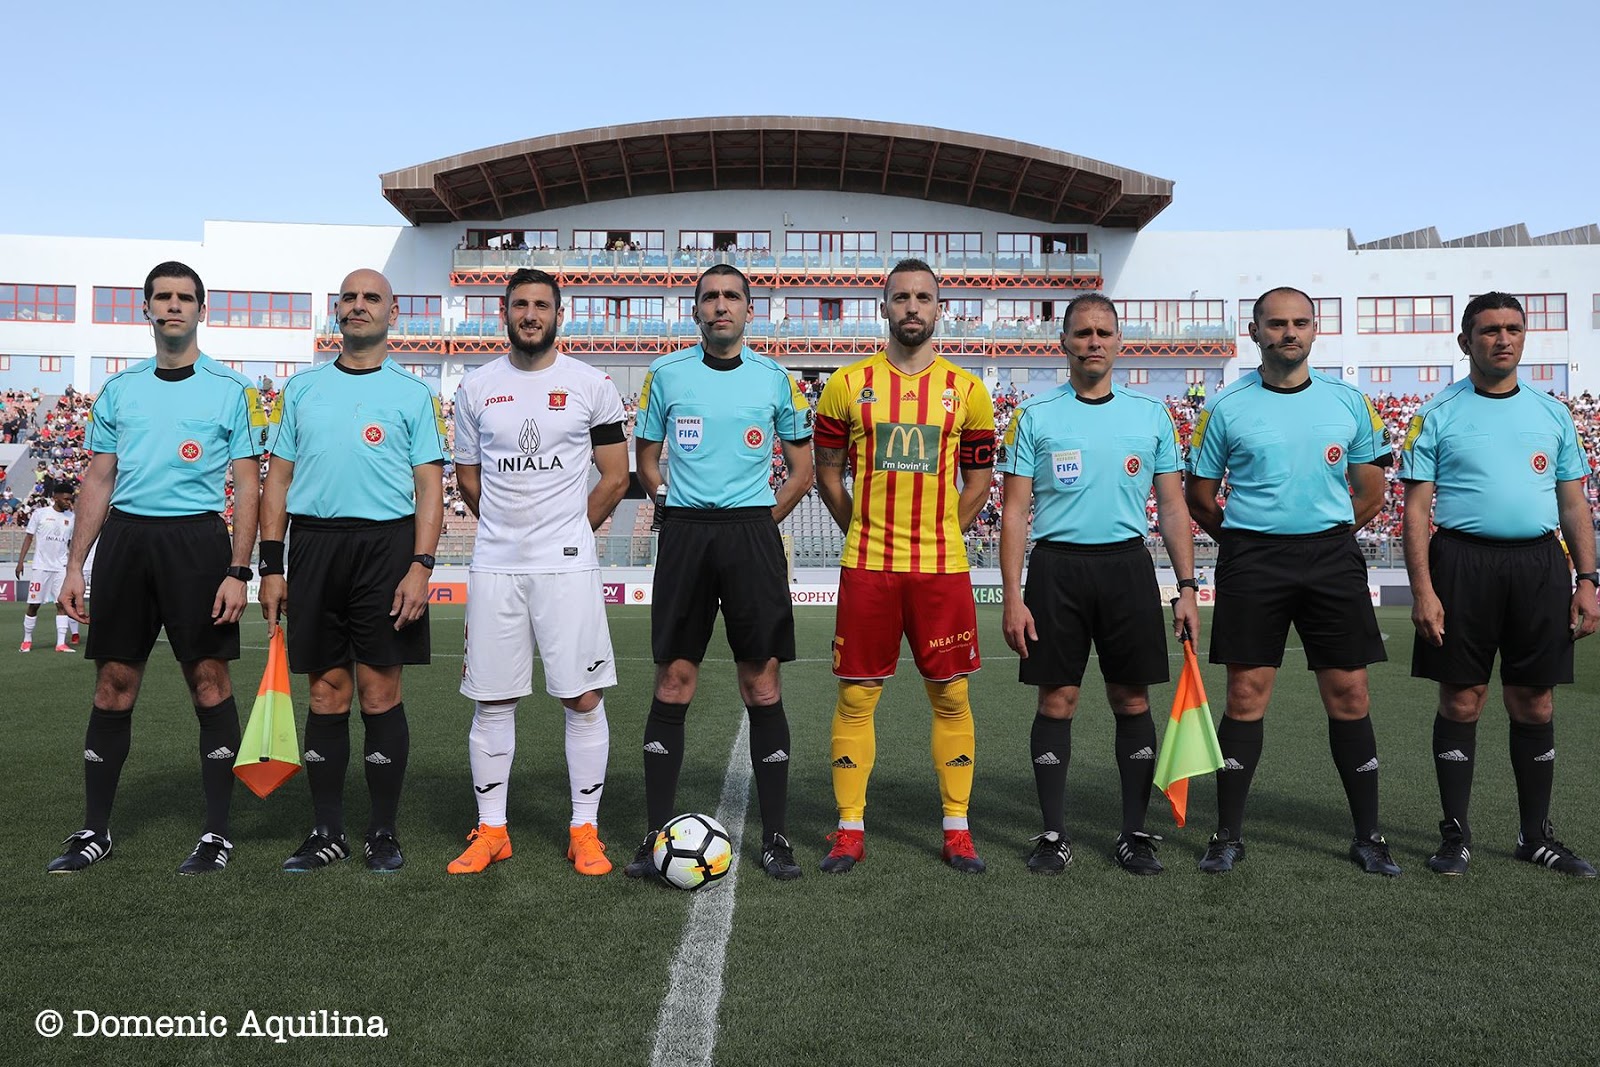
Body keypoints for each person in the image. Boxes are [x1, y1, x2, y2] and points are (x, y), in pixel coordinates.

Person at [46, 260, 264, 875]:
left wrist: (238, 569)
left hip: (197, 545)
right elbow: (98, 479)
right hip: (126, 541)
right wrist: (73, 567)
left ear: (201, 309)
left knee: (210, 684)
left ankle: (217, 834)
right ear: (146, 309)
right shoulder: (119, 390)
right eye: (162, 297)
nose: (173, 306)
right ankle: (95, 830)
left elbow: (246, 487)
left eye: (184, 297)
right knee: (114, 683)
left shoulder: (232, 389)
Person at [1185, 286, 1399, 876]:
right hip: (1252, 559)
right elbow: (1200, 497)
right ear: (1254, 331)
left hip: (1330, 557)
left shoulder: (1349, 402)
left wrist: (1322, 534)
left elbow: (1372, 491)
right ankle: (1227, 835)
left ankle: (1369, 837)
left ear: (1314, 330)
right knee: (1246, 696)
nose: (1289, 332)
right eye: (1276, 323)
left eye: (1299, 322)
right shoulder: (1225, 407)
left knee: (1350, 693)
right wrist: (1252, 543)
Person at [997, 294, 1201, 875]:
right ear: (1063, 342)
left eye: (1103, 332)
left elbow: (1170, 504)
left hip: (1128, 569)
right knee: (1056, 699)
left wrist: (1186, 586)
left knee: (1131, 699)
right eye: (1082, 332)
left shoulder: (1151, 414)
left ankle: (1134, 833)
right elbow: (1015, 511)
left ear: (1119, 341)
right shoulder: (1036, 415)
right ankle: (1053, 834)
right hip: (1056, 569)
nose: (1093, 341)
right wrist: (1013, 595)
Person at [625, 264, 814, 882]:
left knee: (761, 683)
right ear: (696, 309)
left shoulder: (777, 379)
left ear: (749, 310)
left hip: (749, 536)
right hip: (685, 536)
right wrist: (666, 502)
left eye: (732, 297)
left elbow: (803, 469)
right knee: (675, 677)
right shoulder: (666, 374)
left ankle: (778, 837)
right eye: (710, 297)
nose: (721, 306)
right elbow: (646, 457)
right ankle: (654, 836)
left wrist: (764, 521)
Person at [1402, 292, 1598, 877]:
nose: (1503, 339)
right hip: (1461, 564)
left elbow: (1573, 503)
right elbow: (1416, 511)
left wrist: (1587, 579)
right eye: (1489, 331)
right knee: (1463, 699)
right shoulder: (1436, 413)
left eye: (1513, 329)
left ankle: (1534, 835)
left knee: (1534, 702)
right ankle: (1454, 835)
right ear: (1466, 342)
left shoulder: (1552, 412)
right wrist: (1423, 590)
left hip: (1539, 566)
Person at [813, 258, 998, 874]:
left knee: (951, 694)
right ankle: (849, 829)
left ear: (939, 308)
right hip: (868, 564)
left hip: (940, 568)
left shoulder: (970, 392)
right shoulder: (846, 384)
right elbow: (828, 472)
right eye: (901, 298)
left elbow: (979, 480)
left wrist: (945, 530)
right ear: (884, 306)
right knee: (857, 694)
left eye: (924, 297)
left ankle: (956, 828)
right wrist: (860, 528)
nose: (912, 307)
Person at [259, 268, 445, 873]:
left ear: (393, 312)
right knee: (324, 691)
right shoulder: (303, 390)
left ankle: (383, 831)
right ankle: (326, 830)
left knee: (379, 690)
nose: (358, 306)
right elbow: (278, 480)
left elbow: (428, 486)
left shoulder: (413, 394)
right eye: (349, 298)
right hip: (313, 546)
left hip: (386, 549)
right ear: (336, 311)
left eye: (371, 298)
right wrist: (272, 564)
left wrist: (421, 565)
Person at [446, 268, 630, 876]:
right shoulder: (475, 388)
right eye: (520, 305)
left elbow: (615, 475)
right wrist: (507, 529)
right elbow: (469, 477)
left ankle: (585, 830)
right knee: (493, 700)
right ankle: (492, 830)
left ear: (559, 314)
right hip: (497, 563)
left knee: (581, 698)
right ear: (504, 312)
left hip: (567, 566)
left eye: (541, 305)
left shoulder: (591, 385)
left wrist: (571, 530)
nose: (531, 315)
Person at [17, 482, 76, 652]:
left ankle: (60, 643)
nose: (68, 502)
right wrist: (21, 562)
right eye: (65, 499)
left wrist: (73, 566)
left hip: (61, 567)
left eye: (70, 499)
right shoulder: (40, 514)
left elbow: (71, 544)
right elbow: (29, 538)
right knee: (34, 604)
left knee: (62, 604)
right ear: (55, 497)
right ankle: (27, 640)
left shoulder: (71, 518)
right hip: (41, 567)